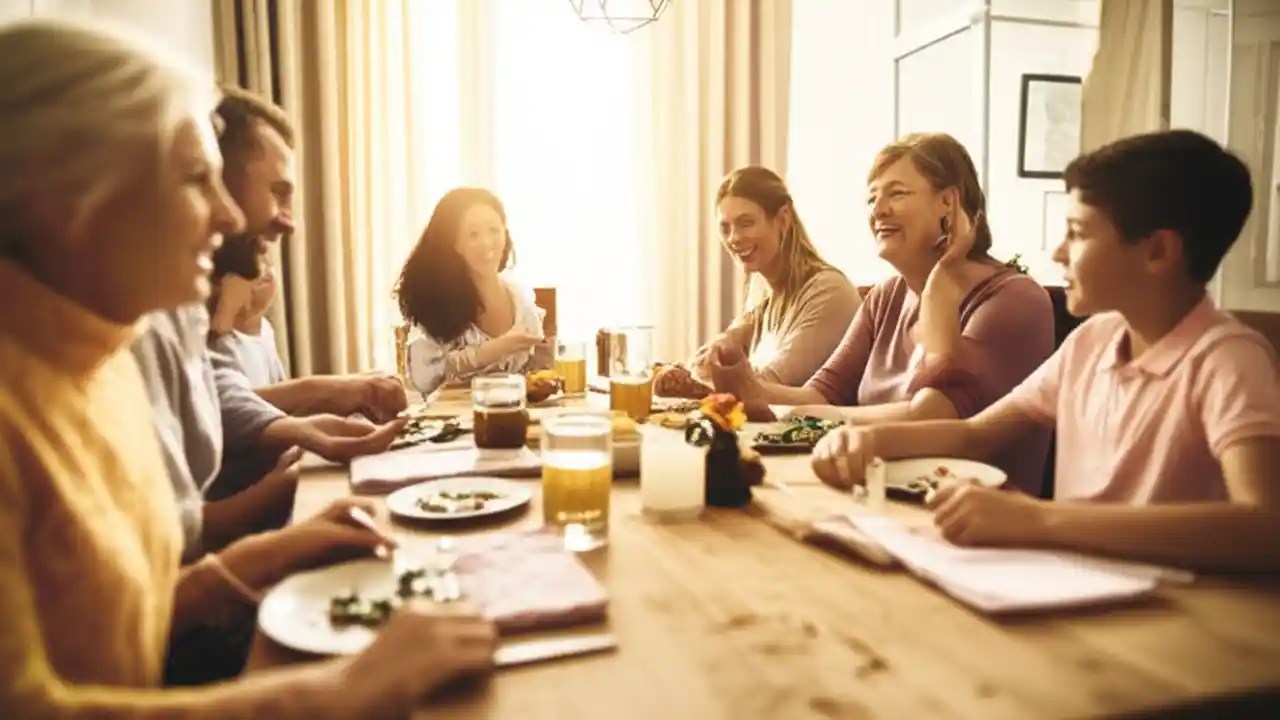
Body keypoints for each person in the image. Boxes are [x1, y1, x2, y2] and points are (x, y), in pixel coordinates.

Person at [0, 19, 495, 717]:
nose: (227, 213)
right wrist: (338, 693)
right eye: (197, 179)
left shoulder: (95, 360)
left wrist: (275, 552)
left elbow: (118, 612)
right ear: (67, 198)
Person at [811, 130, 1280, 573]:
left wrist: (1041, 519)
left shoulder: (1228, 360)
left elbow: (1265, 526)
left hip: (1180, 619)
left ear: (1158, 252)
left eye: (1077, 233)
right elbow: (975, 435)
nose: (1057, 252)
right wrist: (869, 442)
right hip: (1079, 584)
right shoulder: (1091, 343)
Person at [713, 133, 1055, 495]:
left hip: (977, 523)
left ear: (948, 204)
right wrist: (750, 390)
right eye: (872, 198)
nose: (877, 210)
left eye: (896, 193)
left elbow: (931, 416)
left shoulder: (1015, 299)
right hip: (879, 500)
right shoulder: (886, 296)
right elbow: (821, 396)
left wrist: (939, 288)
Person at [652, 166, 860, 399]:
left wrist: (688, 379)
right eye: (725, 227)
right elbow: (723, 369)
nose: (734, 238)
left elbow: (763, 384)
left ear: (783, 219)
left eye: (746, 223)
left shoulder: (828, 291)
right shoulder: (760, 288)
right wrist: (725, 342)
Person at [396, 187, 550, 395]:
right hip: (454, 423)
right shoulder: (437, 304)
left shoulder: (521, 301)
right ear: (453, 244)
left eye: (494, 230)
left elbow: (542, 371)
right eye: (473, 234)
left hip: (513, 415)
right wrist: (491, 351)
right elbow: (423, 378)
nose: (486, 243)